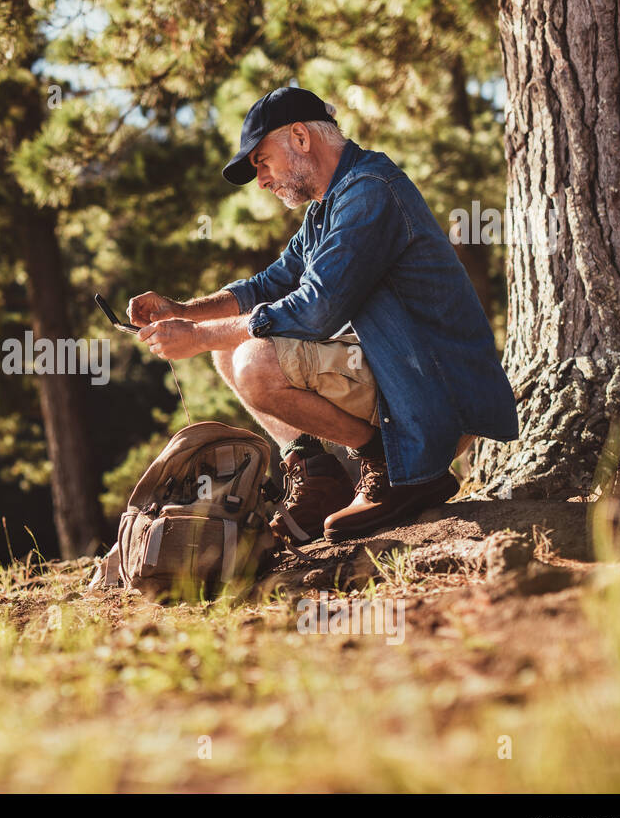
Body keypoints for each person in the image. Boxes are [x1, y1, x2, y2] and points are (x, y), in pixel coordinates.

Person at [129, 86, 518, 542]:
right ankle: (319, 480)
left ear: (300, 137)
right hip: (397, 370)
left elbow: (316, 309)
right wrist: (185, 312)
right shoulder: (327, 208)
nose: (262, 180)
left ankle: (395, 471)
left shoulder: (370, 192)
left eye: (262, 161)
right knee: (227, 347)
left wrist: (197, 336)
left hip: (430, 391)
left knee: (253, 359)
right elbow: (268, 285)